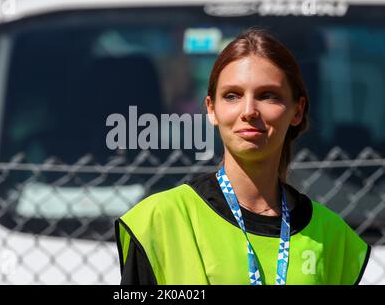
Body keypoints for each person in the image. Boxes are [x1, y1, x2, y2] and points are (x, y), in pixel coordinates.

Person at [114, 28, 371, 285]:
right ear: (212, 109)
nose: (249, 111)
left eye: (268, 95)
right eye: (232, 96)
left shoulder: (334, 237)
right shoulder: (158, 221)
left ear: (297, 111)